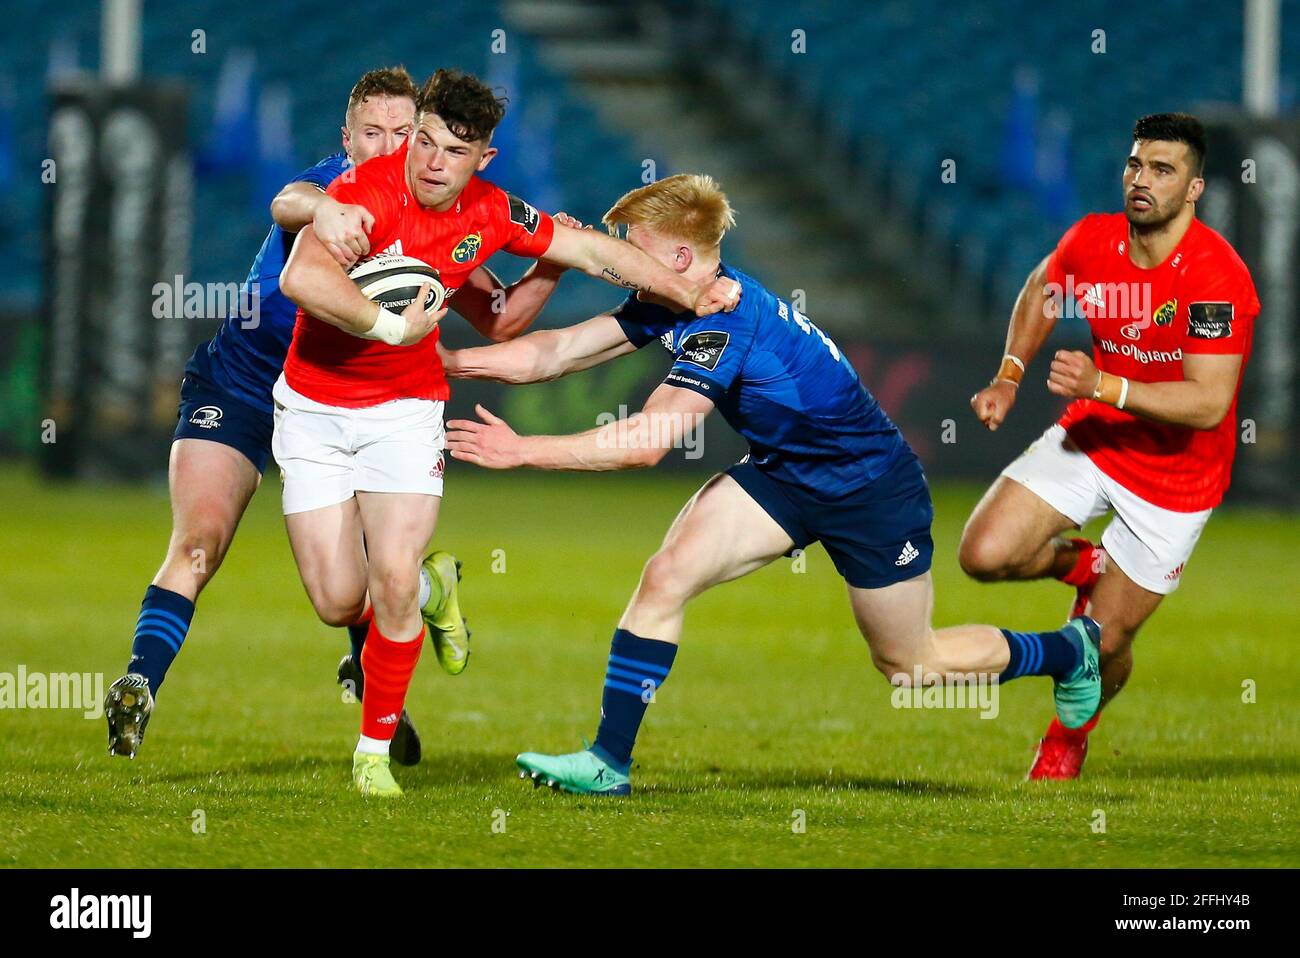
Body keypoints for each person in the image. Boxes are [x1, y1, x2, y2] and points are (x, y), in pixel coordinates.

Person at [441, 174, 1102, 796]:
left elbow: (646, 444)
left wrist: (525, 449)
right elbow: (556, 352)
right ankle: (608, 762)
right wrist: (445, 362)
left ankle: (1064, 652)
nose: (615, 262)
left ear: (676, 258)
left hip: (871, 490)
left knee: (909, 666)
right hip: (785, 474)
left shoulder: (722, 323)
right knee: (666, 575)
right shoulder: (674, 297)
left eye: (627, 250)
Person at [275, 73, 742, 797]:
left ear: (483, 159)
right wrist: (394, 327)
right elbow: (301, 281)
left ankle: (371, 752)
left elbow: (596, 253)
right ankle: (439, 586)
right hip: (312, 407)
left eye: (452, 151)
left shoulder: (492, 213)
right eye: (423, 141)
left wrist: (690, 293)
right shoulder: (363, 192)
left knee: (390, 577)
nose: (429, 161)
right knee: (339, 600)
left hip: (405, 408)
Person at [104, 66, 570, 762]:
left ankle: (380, 685)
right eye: (372, 132)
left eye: (404, 133)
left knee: (356, 574)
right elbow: (285, 201)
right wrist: (322, 210)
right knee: (199, 542)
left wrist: (552, 262)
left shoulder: (439, 215)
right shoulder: (326, 192)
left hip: (343, 398)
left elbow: (501, 318)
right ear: (344, 139)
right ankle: (139, 683)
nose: (388, 146)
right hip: (241, 383)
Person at [961, 113, 1260, 779]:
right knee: (983, 554)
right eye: (1135, 165)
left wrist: (1105, 382)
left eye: (1162, 170)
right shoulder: (1094, 240)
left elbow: (1209, 402)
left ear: (1194, 189)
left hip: (1177, 480)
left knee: (1107, 641)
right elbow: (1044, 286)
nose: (1141, 180)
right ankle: (1087, 566)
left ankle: (1070, 736)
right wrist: (1008, 376)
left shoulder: (1216, 276)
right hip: (1094, 440)